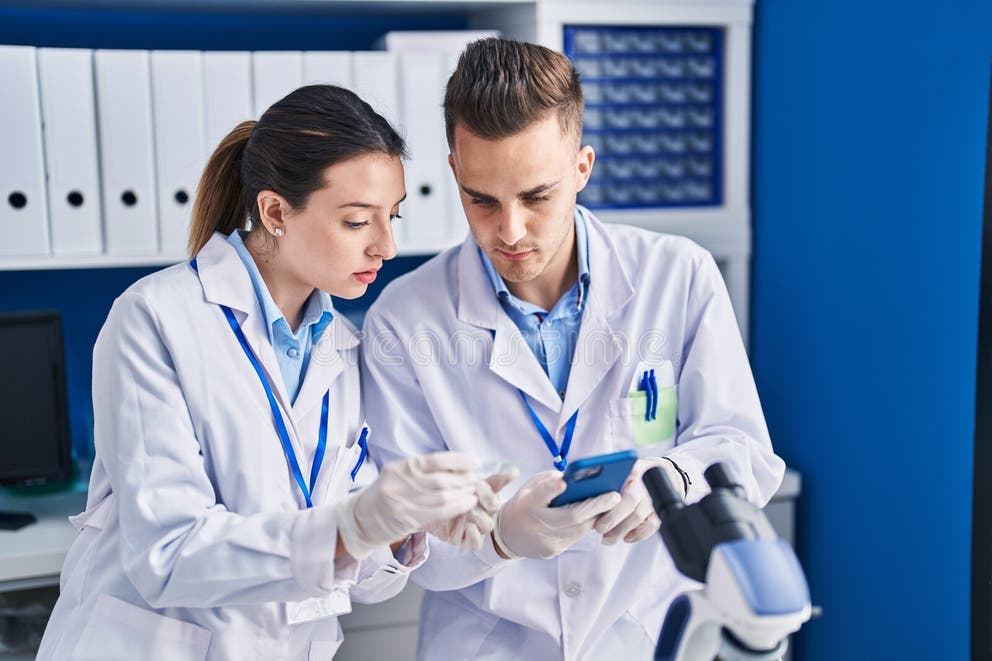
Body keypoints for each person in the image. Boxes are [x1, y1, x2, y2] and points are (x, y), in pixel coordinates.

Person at [36, 84, 498, 661]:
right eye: (358, 222)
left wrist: (404, 526)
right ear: (275, 211)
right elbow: (169, 554)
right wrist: (351, 525)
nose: (387, 245)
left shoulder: (344, 349)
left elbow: (370, 580)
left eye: (392, 216)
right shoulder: (156, 318)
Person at [361, 38, 786, 659]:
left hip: (644, 635)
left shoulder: (679, 276)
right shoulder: (404, 321)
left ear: (582, 168)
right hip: (489, 643)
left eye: (537, 196)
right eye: (482, 199)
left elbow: (743, 449)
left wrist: (672, 477)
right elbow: (399, 531)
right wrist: (500, 536)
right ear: (454, 171)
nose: (509, 231)